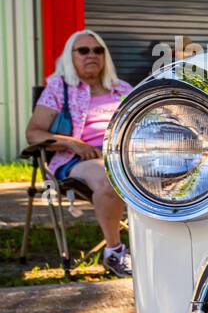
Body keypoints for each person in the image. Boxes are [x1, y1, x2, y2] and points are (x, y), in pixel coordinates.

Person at [25, 30, 134, 278]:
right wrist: (73, 143)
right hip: (80, 161)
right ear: (70, 57)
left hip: (127, 156)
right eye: (83, 50)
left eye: (98, 50)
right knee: (110, 178)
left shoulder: (123, 89)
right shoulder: (59, 89)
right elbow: (34, 133)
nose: (91, 55)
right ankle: (115, 253)